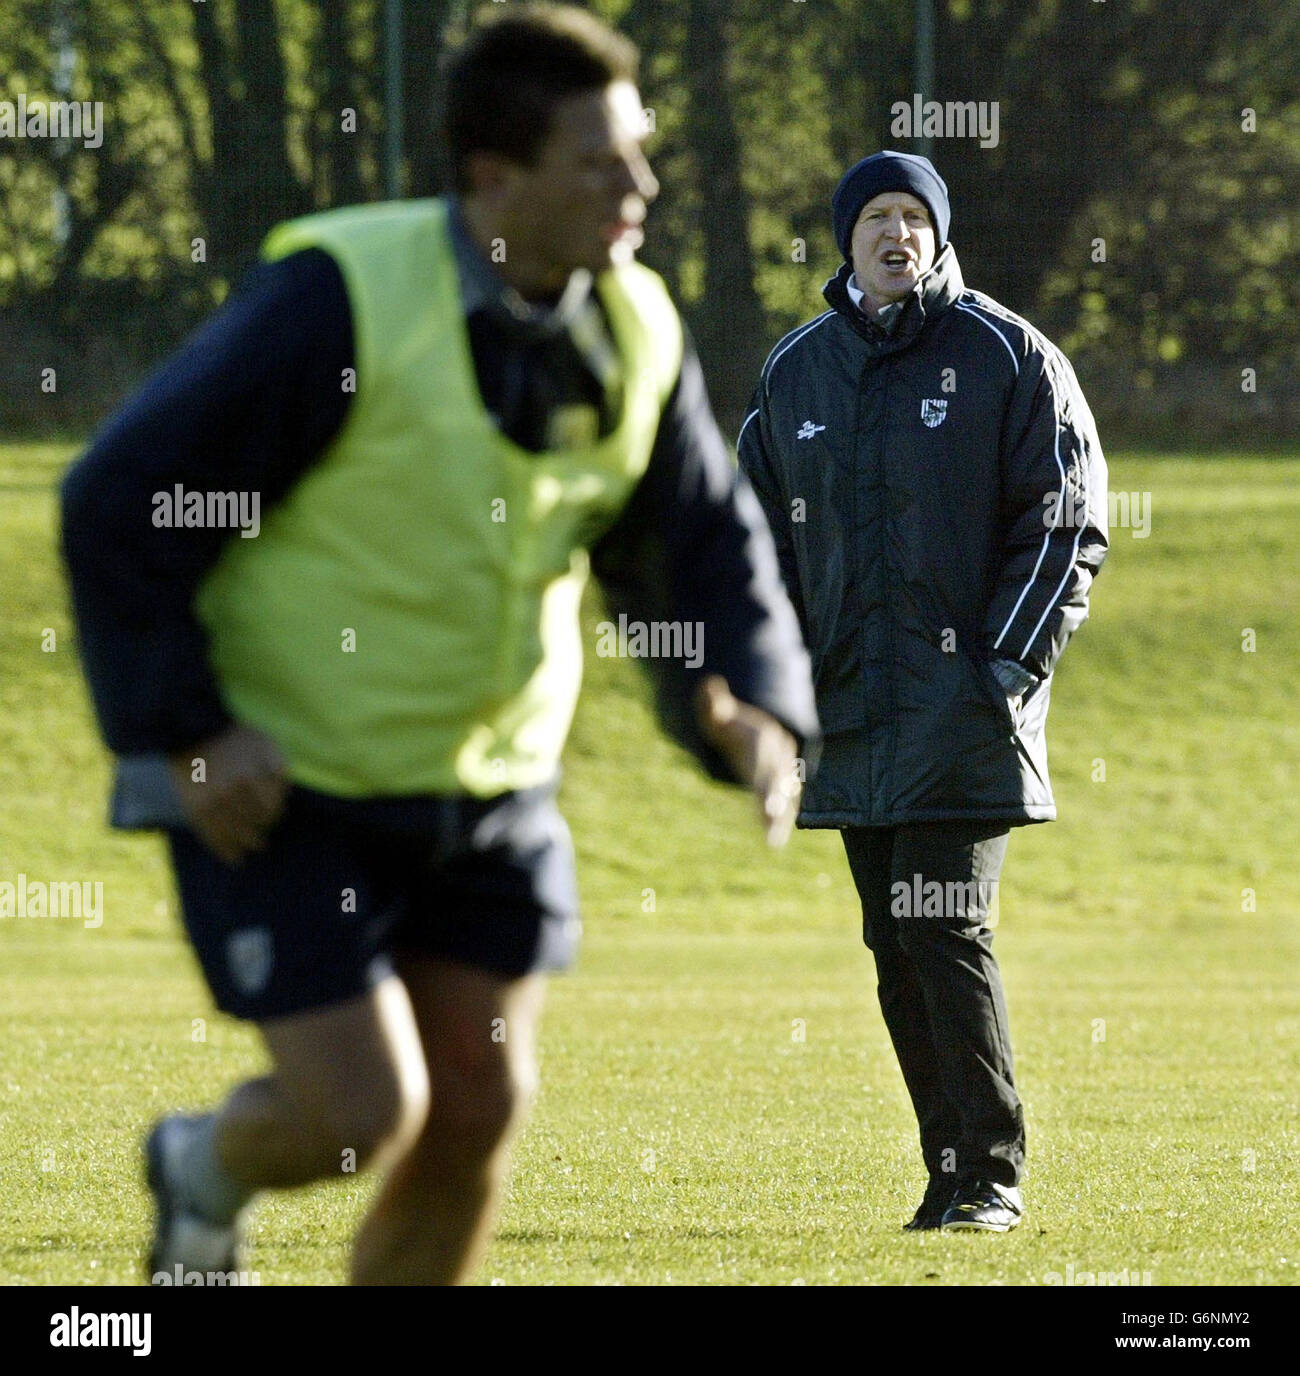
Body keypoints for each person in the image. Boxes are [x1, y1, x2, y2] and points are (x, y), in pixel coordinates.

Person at [60, 3, 817, 1285]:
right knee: (362, 1117)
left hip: (487, 791)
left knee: (477, 1107)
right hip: (284, 785)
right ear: (492, 177)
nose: (638, 186)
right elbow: (121, 499)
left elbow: (696, 542)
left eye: (640, 153)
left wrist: (743, 700)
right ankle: (201, 1167)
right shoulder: (339, 301)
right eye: (601, 161)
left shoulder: (633, 327)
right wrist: (187, 729)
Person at [738, 150, 1107, 1233]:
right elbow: (750, 546)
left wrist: (1000, 670)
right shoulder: (795, 371)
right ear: (845, 240)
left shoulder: (1007, 354)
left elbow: (1067, 521)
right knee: (893, 944)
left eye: (913, 217)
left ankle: (991, 1173)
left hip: (963, 710)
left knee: (943, 925)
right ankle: (947, 1173)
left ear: (937, 236)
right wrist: (775, 684)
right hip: (847, 713)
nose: (895, 234)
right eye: (876, 219)